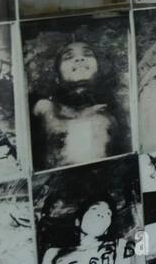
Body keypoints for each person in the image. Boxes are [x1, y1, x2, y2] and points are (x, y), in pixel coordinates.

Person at [31, 39, 127, 169]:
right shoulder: (45, 107)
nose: (80, 59)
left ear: (100, 68)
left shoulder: (118, 109)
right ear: (56, 76)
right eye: (68, 57)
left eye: (87, 54)